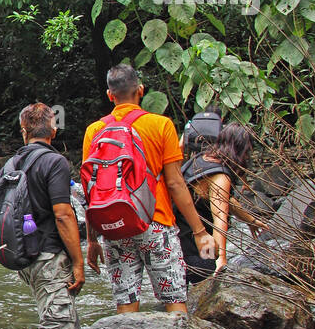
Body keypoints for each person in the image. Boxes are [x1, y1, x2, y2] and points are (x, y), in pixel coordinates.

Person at [81, 65, 216, 315]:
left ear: (110, 96)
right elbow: (175, 183)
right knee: (174, 300)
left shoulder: (94, 131)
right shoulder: (161, 125)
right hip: (156, 223)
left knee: (126, 304)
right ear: (140, 91)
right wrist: (199, 231)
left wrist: (92, 240)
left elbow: (92, 189)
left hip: (115, 225)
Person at [0, 103, 86, 329]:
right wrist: (78, 262)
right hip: (49, 258)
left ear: (23, 131)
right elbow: (63, 214)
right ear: (53, 131)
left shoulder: (10, 165)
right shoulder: (55, 162)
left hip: (25, 257)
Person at [177, 120, 268, 281]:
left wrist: (250, 220)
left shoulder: (202, 159)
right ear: (241, 149)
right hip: (196, 247)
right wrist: (220, 259)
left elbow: (224, 199)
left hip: (174, 240)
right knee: (205, 284)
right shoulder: (221, 176)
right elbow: (220, 217)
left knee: (176, 300)